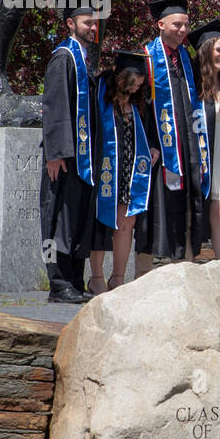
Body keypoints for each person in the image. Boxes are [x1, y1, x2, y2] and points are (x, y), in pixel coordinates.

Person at [135, 0, 209, 273]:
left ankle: (184, 269)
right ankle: (142, 274)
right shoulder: (146, 57)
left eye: (186, 25)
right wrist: (149, 144)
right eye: (177, 24)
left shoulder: (187, 61)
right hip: (158, 152)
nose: (183, 30)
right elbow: (137, 106)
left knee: (185, 209)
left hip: (187, 149)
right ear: (160, 24)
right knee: (153, 213)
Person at [40, 3, 99, 303]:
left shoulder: (86, 60)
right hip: (64, 156)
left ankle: (75, 280)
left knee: (76, 218)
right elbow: (54, 106)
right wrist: (55, 152)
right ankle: (58, 283)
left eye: (95, 23)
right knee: (56, 219)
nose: (93, 27)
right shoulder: (63, 58)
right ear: (70, 24)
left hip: (83, 157)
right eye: (87, 22)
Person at [87, 52, 160, 292]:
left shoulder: (137, 102)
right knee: (104, 222)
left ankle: (118, 277)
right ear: (124, 76)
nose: (140, 84)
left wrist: (152, 148)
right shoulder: (100, 97)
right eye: (138, 78)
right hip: (107, 170)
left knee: (127, 223)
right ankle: (96, 277)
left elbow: (149, 132)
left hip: (131, 171)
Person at [191, 20, 220, 264]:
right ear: (206, 50)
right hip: (200, 155)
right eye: (218, 50)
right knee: (196, 212)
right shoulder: (192, 83)